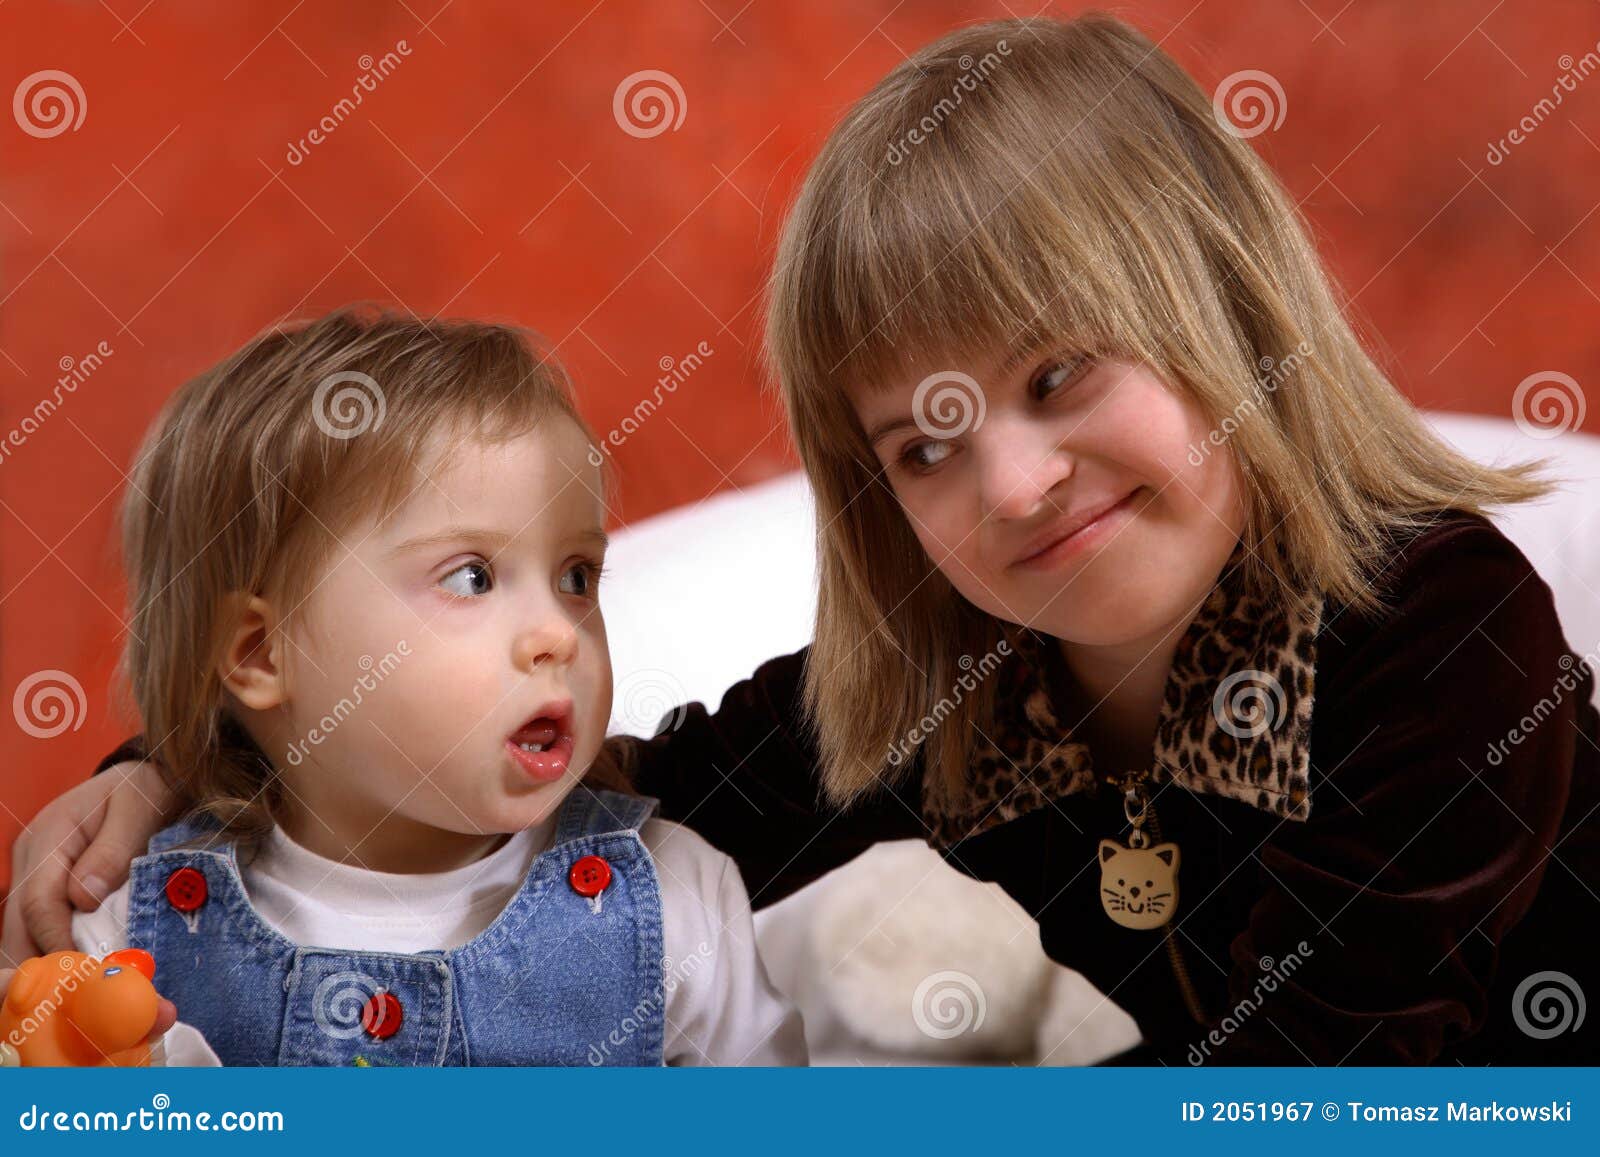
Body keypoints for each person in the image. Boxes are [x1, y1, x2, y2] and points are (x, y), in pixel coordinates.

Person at [10, 14, 1598, 1064]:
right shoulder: (970, 689)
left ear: (1230, 315)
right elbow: (576, 788)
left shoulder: (1440, 625)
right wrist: (193, 768)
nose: (1016, 484)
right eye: (926, 446)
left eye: (1060, 375)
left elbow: (1328, 1078)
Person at [7, 308, 805, 1067]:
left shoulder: (676, 898)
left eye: (576, 577)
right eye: (471, 576)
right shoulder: (124, 925)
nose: (559, 633)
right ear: (260, 653)